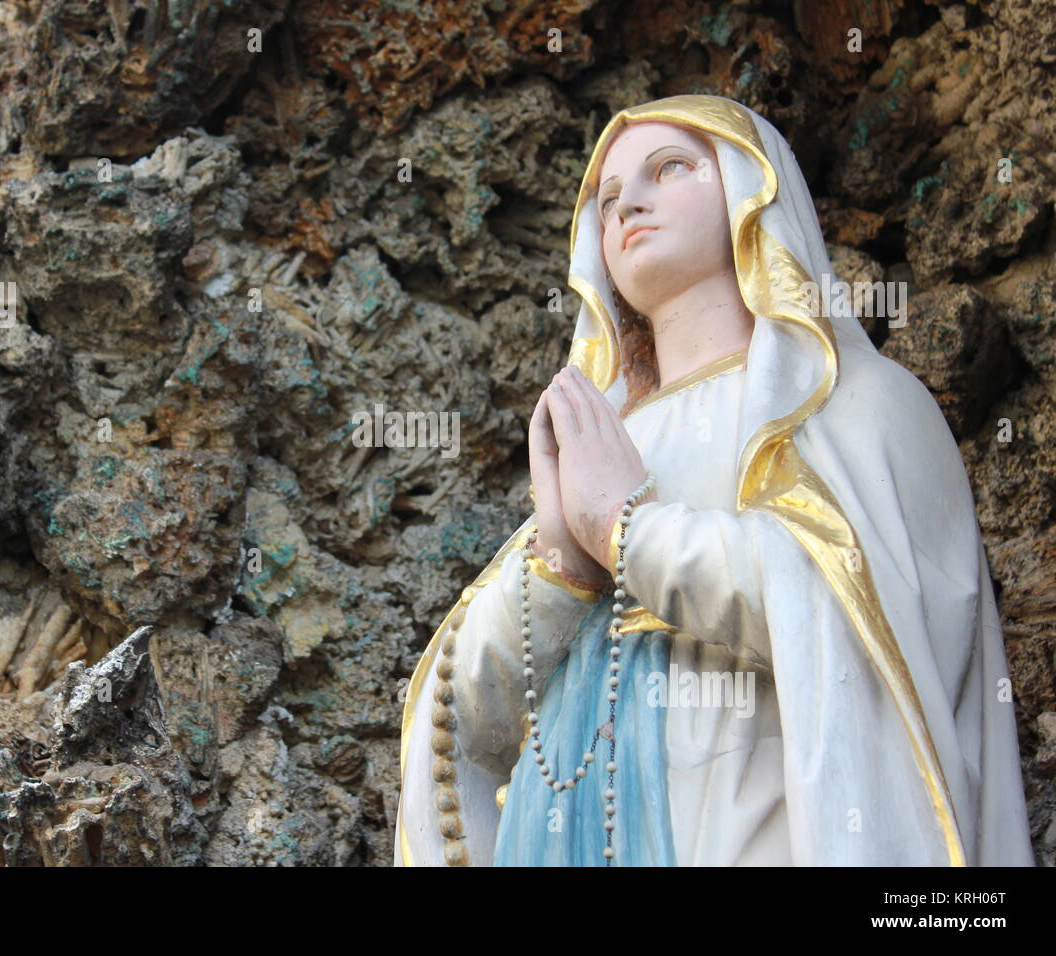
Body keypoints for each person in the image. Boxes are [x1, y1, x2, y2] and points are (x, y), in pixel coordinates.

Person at [394, 94, 1034, 867]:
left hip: (753, 824)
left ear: (753, 187)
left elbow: (866, 625)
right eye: (607, 198)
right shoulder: (602, 443)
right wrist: (562, 566)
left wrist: (628, 532)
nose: (628, 203)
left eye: (670, 169)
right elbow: (463, 715)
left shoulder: (854, 403)